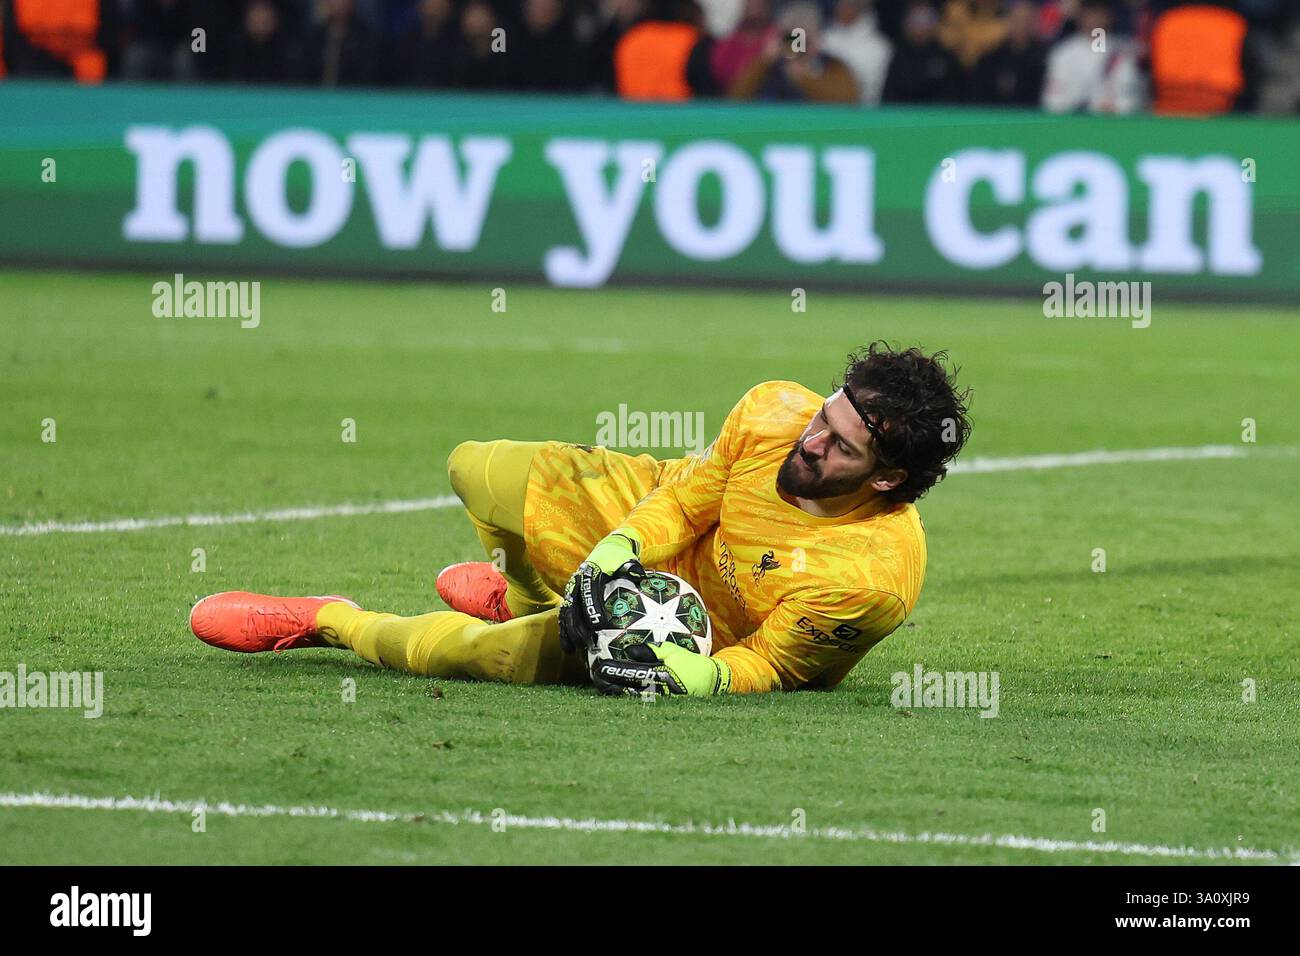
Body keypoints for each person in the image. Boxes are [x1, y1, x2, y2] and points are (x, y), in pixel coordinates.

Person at [190, 344, 972, 698]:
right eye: (823, 417)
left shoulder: (868, 581)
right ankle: (534, 594)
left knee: (481, 662)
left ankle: (330, 621)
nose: (811, 439)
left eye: (838, 447)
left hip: (706, 631)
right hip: (675, 527)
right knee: (477, 468)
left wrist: (684, 673)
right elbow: (689, 500)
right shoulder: (775, 410)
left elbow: (767, 666)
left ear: (889, 476)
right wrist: (615, 554)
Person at [727, 1, 859, 103]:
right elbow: (735, 98)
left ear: (816, 37)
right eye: (792, 37)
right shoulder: (768, 67)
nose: (798, 45)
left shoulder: (833, 66)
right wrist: (764, 62)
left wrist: (805, 78)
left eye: (803, 38)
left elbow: (849, 103)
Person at [1042, 0, 1143, 113]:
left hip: (1110, 122)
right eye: (1090, 14)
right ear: (1080, 16)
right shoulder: (1063, 53)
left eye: (1100, 14)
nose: (1095, 20)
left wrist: (1111, 107)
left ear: (1109, 17)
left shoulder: (1122, 52)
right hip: (1071, 122)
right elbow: (1052, 100)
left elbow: (1129, 100)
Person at [822, 0, 894, 105]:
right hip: (824, 113)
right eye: (841, 4)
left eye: (850, 5)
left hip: (865, 114)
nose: (844, 8)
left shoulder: (880, 47)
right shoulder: (823, 40)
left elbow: (875, 90)